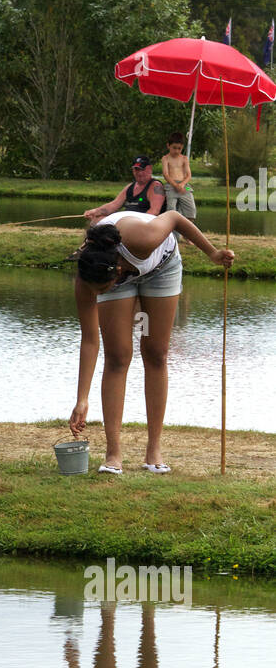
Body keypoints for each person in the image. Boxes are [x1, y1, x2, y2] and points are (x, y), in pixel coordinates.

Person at [69, 211, 234, 474]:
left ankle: (153, 450)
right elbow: (90, 341)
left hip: (162, 266)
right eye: (96, 292)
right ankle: (113, 454)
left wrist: (212, 253)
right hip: (117, 273)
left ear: (118, 272)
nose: (97, 296)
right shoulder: (89, 276)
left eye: (102, 291)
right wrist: (81, 399)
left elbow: (175, 217)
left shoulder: (143, 238)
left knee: (156, 353)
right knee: (118, 356)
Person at [84, 156, 166, 222]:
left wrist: (136, 223)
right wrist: (95, 211)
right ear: (133, 170)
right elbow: (113, 205)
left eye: (143, 169)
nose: (140, 173)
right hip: (124, 221)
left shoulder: (156, 186)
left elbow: (154, 212)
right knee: (96, 219)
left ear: (150, 169)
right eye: (137, 169)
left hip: (141, 224)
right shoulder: (129, 187)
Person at [161, 132, 196, 219]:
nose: (176, 151)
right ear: (168, 146)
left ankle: (187, 228)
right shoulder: (165, 158)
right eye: (174, 148)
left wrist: (182, 184)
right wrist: (175, 185)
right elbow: (165, 174)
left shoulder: (184, 159)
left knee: (191, 208)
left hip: (185, 185)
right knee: (171, 210)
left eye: (179, 148)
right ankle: (173, 230)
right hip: (171, 186)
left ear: (182, 147)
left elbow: (189, 175)